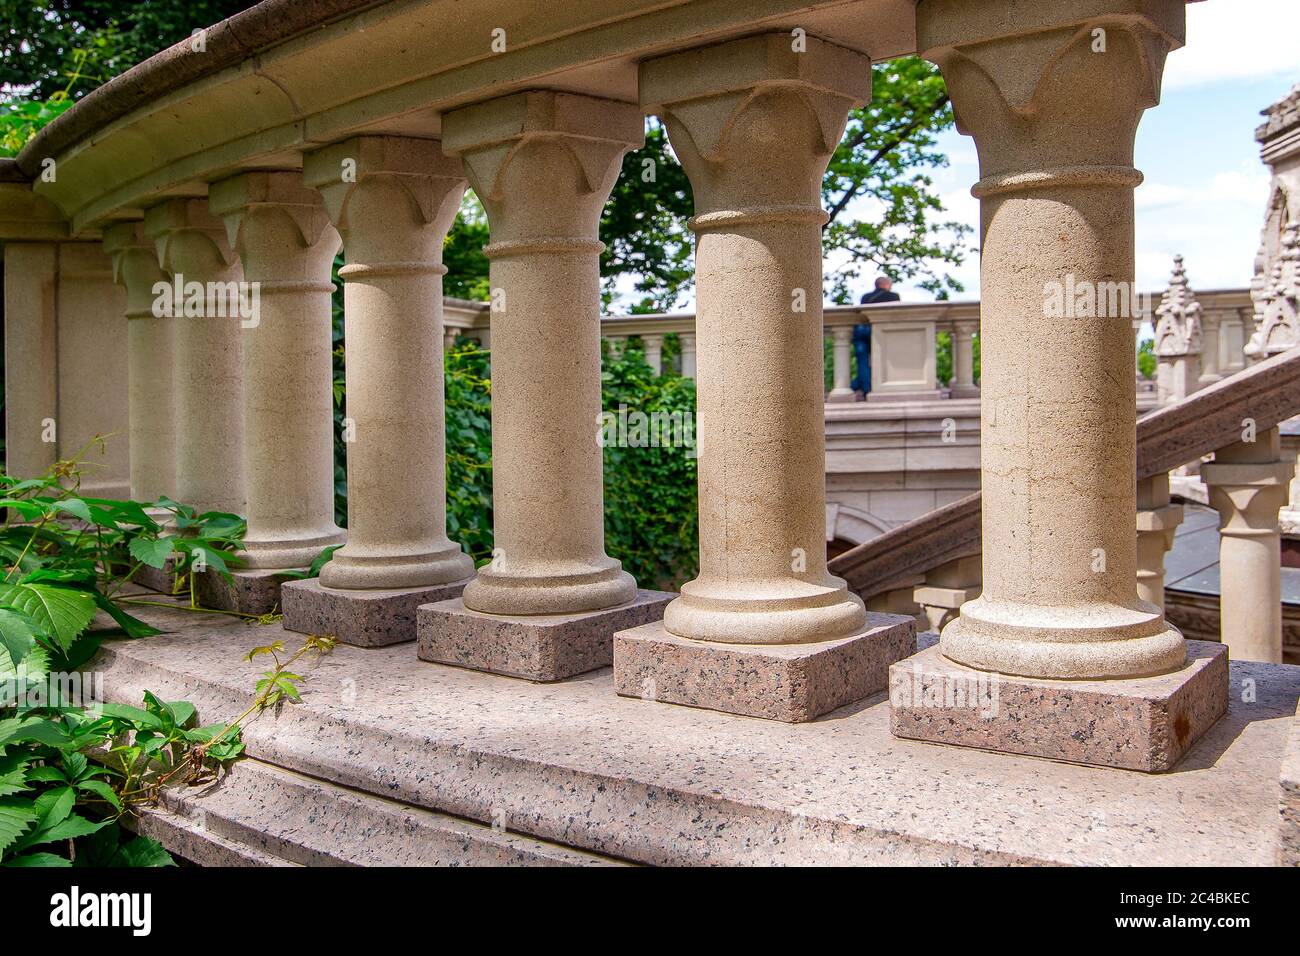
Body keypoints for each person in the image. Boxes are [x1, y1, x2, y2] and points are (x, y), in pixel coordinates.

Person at [852, 277, 900, 396]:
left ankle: (864, 388)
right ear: (886, 284)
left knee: (862, 361)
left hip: (861, 330)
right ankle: (860, 386)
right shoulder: (894, 296)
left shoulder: (865, 297)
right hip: (880, 331)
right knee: (885, 360)